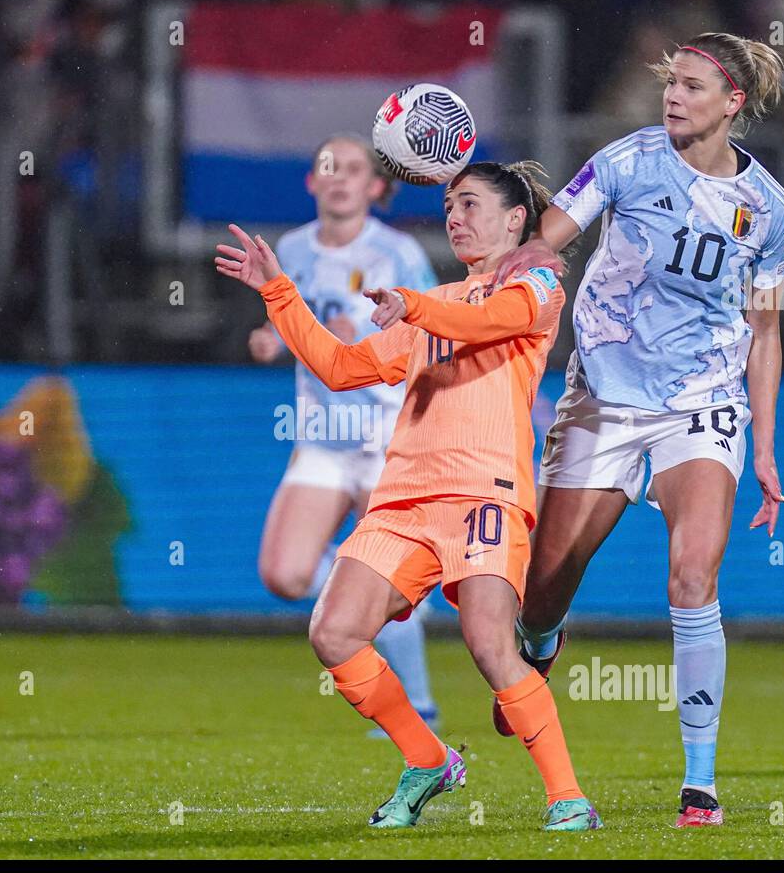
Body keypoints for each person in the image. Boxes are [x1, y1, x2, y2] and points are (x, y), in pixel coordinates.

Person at [216, 160, 602, 831]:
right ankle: (427, 759)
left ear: (517, 219)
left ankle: (568, 798)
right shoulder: (433, 304)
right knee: (334, 633)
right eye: (450, 206)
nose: (456, 217)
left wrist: (417, 304)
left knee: (487, 641)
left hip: (485, 489)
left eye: (472, 204)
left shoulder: (536, 285)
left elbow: (494, 321)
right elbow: (341, 368)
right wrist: (278, 292)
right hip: (404, 500)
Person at [492, 32, 784, 827]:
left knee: (693, 578)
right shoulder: (626, 160)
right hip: (604, 401)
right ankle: (541, 638)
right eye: (671, 84)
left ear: (733, 103)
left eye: (693, 87)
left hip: (704, 403)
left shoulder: (769, 210)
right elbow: (551, 233)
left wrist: (762, 447)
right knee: (543, 587)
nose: (673, 97)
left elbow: (765, 330)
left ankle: (701, 781)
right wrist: (521, 266)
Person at [248, 134, 441, 734]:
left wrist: (367, 337)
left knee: (394, 578)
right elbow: (287, 319)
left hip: (386, 433)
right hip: (323, 436)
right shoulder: (291, 248)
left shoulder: (400, 253)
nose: (338, 177)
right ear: (311, 182)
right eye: (326, 166)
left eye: (353, 169)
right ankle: (360, 591)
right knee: (284, 575)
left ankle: (417, 707)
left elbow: (436, 329)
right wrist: (272, 338)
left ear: (376, 188)